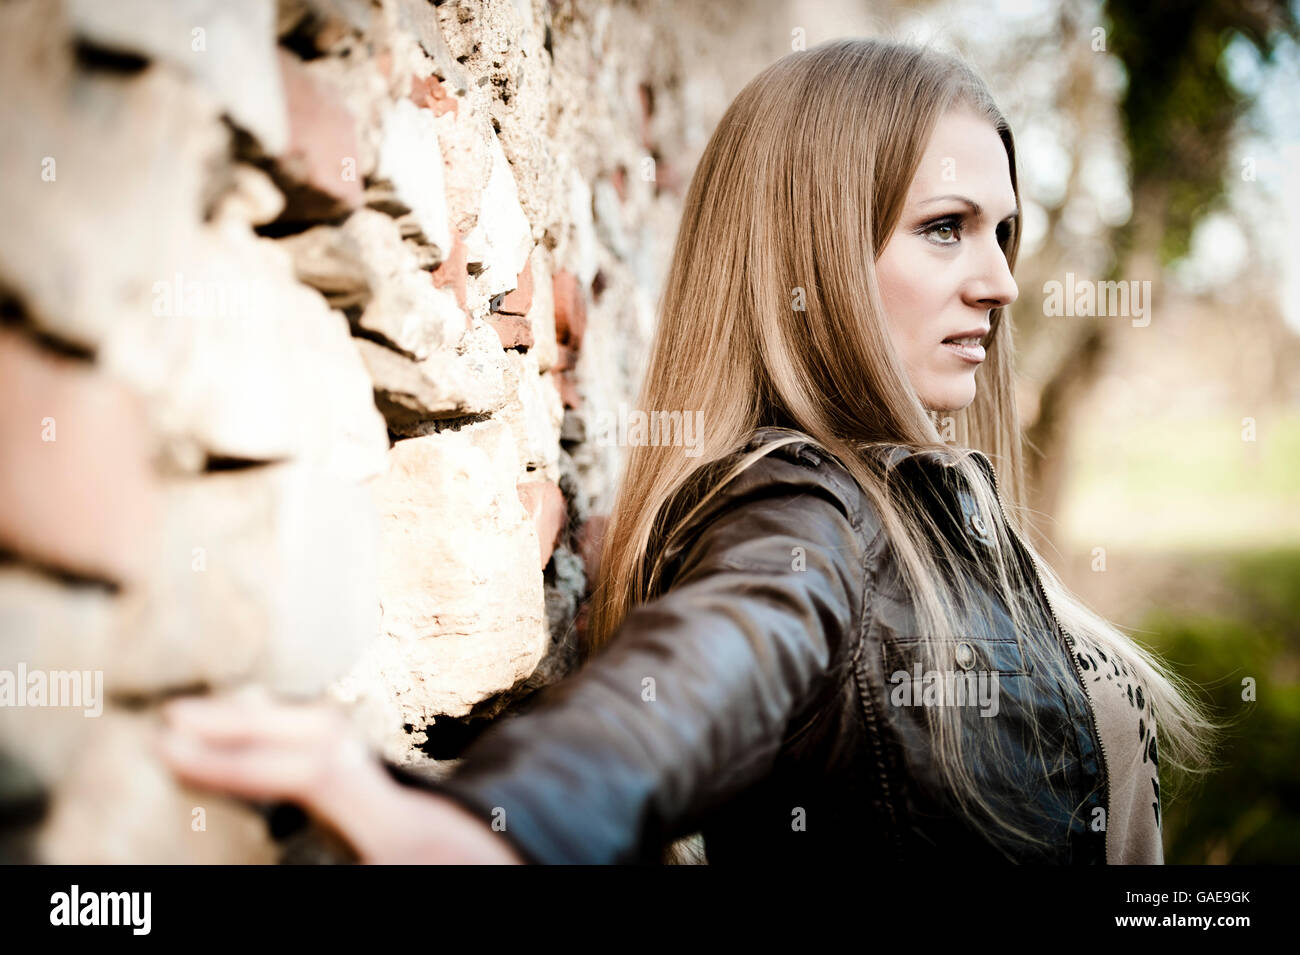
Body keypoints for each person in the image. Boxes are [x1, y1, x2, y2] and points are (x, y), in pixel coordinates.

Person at [156, 36, 1220, 865]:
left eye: (1001, 233)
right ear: (816, 251)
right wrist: (509, 819)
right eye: (944, 227)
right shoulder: (809, 517)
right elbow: (713, 664)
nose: (997, 279)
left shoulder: (947, 511)